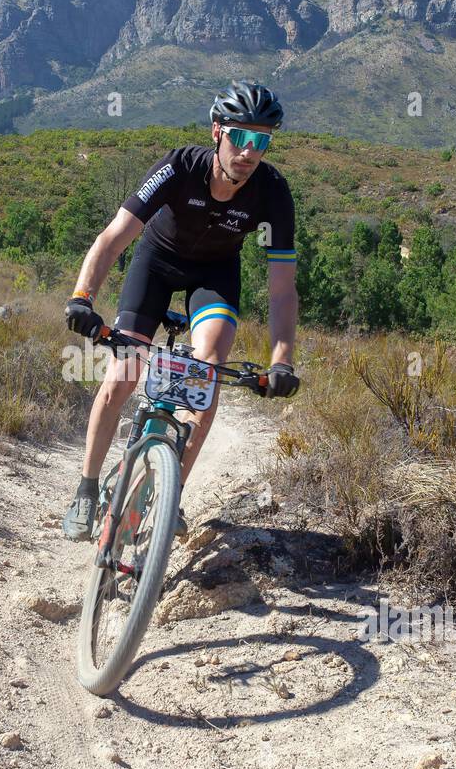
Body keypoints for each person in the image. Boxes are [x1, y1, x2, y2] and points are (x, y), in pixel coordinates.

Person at [62, 80, 300, 542]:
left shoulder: (272, 192)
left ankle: (171, 494)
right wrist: (83, 297)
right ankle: (87, 489)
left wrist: (282, 360)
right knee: (123, 373)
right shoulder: (179, 167)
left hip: (214, 275)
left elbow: (282, 289)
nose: (250, 152)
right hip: (157, 263)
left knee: (205, 374)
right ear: (217, 131)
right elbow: (114, 236)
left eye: (262, 140)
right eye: (241, 137)